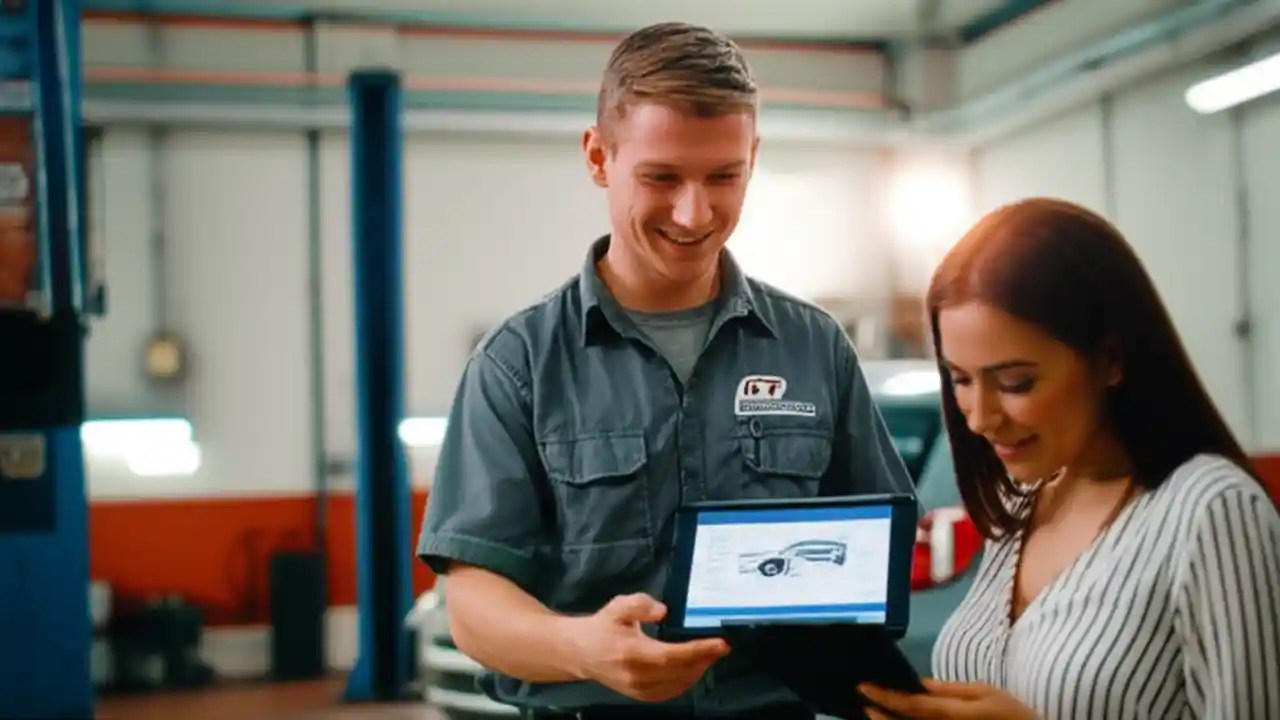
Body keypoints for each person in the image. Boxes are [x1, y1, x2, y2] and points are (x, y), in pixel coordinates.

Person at [416, 20, 915, 720]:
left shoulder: (814, 348)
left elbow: (870, 552)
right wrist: (583, 648)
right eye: (662, 177)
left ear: (752, 157)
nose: (694, 212)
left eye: (724, 176)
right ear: (598, 157)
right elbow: (474, 603)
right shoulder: (520, 364)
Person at [857, 198, 1280, 719]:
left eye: (1016, 382)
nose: (979, 418)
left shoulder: (1211, 512)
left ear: (1111, 359)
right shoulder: (1019, 507)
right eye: (960, 380)